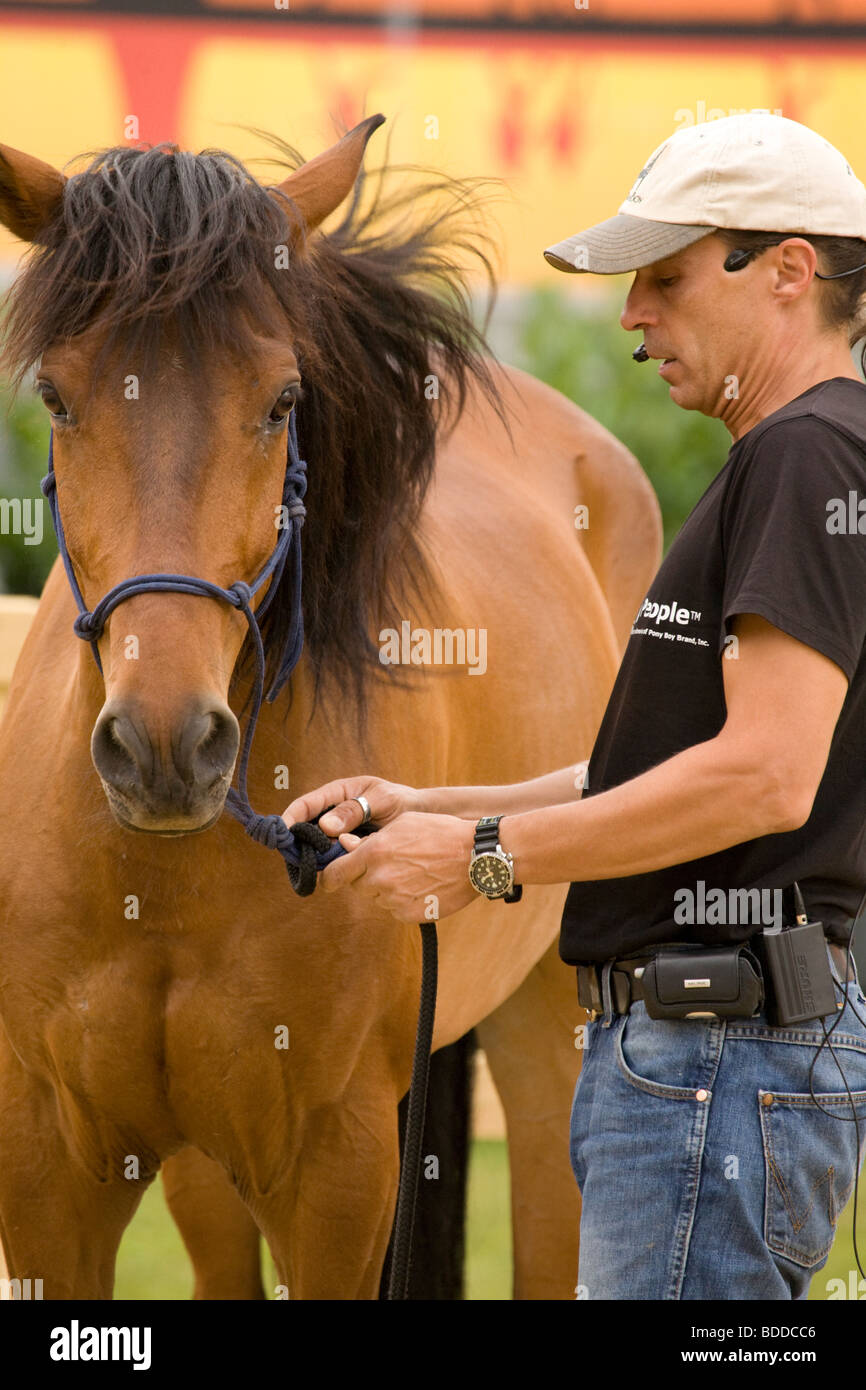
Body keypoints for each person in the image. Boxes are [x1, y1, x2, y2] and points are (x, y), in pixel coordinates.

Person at [284, 113, 866, 1300]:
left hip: (714, 1064)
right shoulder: (801, 458)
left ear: (790, 272)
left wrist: (484, 858)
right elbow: (676, 764)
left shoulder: (804, 460)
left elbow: (763, 777)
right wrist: (435, 805)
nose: (631, 314)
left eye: (664, 276)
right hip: (719, 1061)